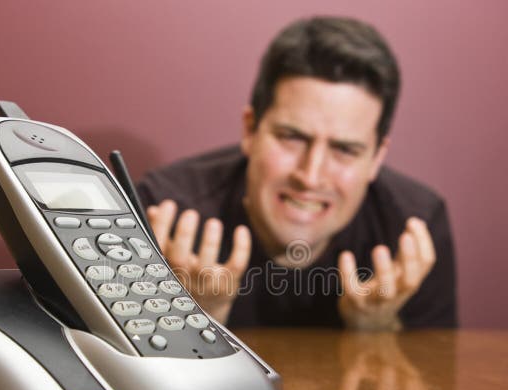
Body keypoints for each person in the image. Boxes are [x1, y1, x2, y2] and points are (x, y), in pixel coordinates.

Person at [137, 16, 457, 330]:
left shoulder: (413, 229)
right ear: (250, 131)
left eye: (345, 149)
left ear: (376, 158)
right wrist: (195, 319)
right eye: (292, 137)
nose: (311, 176)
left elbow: (433, 382)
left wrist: (375, 327)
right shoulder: (161, 209)